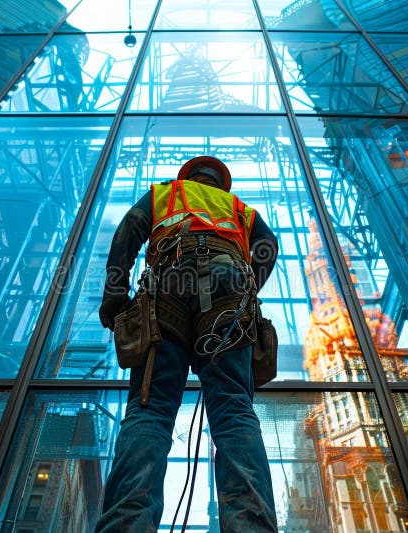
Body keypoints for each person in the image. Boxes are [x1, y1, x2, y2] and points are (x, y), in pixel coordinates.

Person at [96, 156, 279, 532]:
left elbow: (129, 228)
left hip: (167, 285)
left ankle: (126, 525)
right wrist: (245, 293)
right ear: (220, 184)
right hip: (229, 291)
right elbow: (268, 246)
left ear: (189, 177)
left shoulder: (167, 193)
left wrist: (115, 296)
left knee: (151, 411)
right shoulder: (239, 209)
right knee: (233, 411)